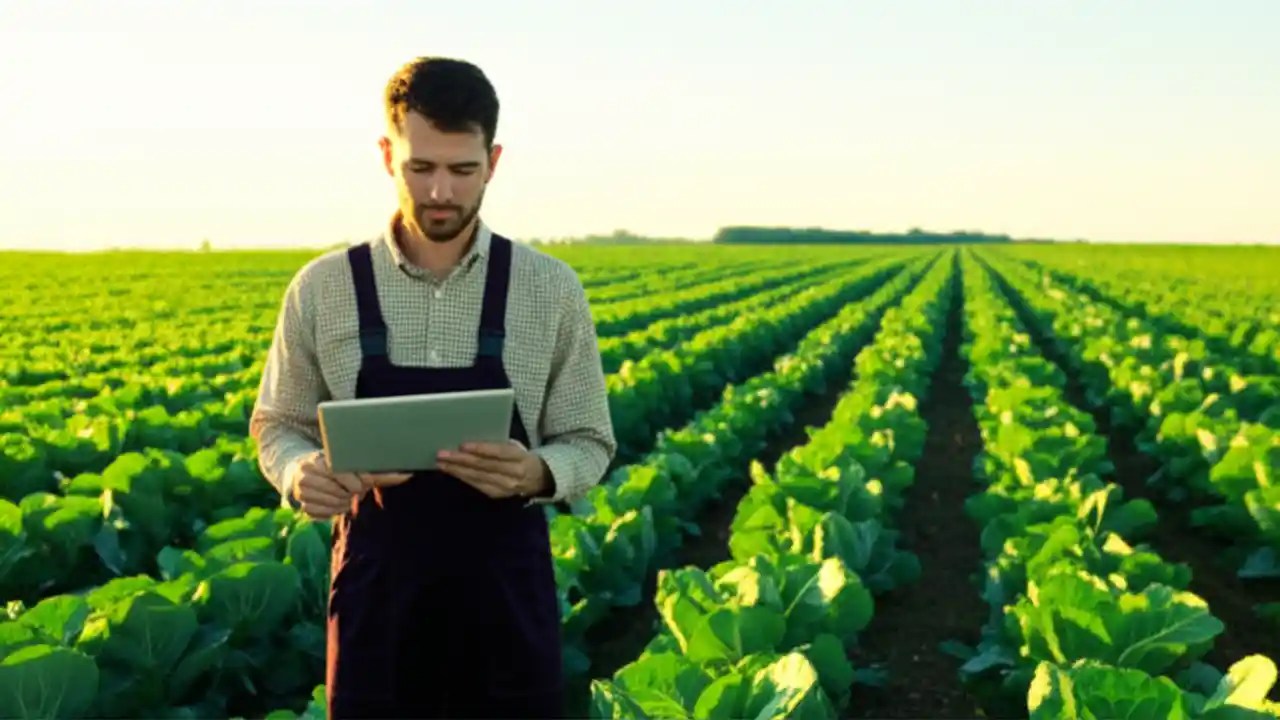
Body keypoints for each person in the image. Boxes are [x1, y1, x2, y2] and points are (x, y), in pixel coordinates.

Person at [248, 55, 617, 719]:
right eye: (420, 168)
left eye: (462, 170)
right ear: (387, 154)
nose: (440, 192)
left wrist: (537, 472)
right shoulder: (324, 288)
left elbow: (589, 440)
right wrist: (299, 470)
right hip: (376, 600)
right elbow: (276, 421)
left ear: (494, 161)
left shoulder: (549, 288)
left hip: (506, 600)